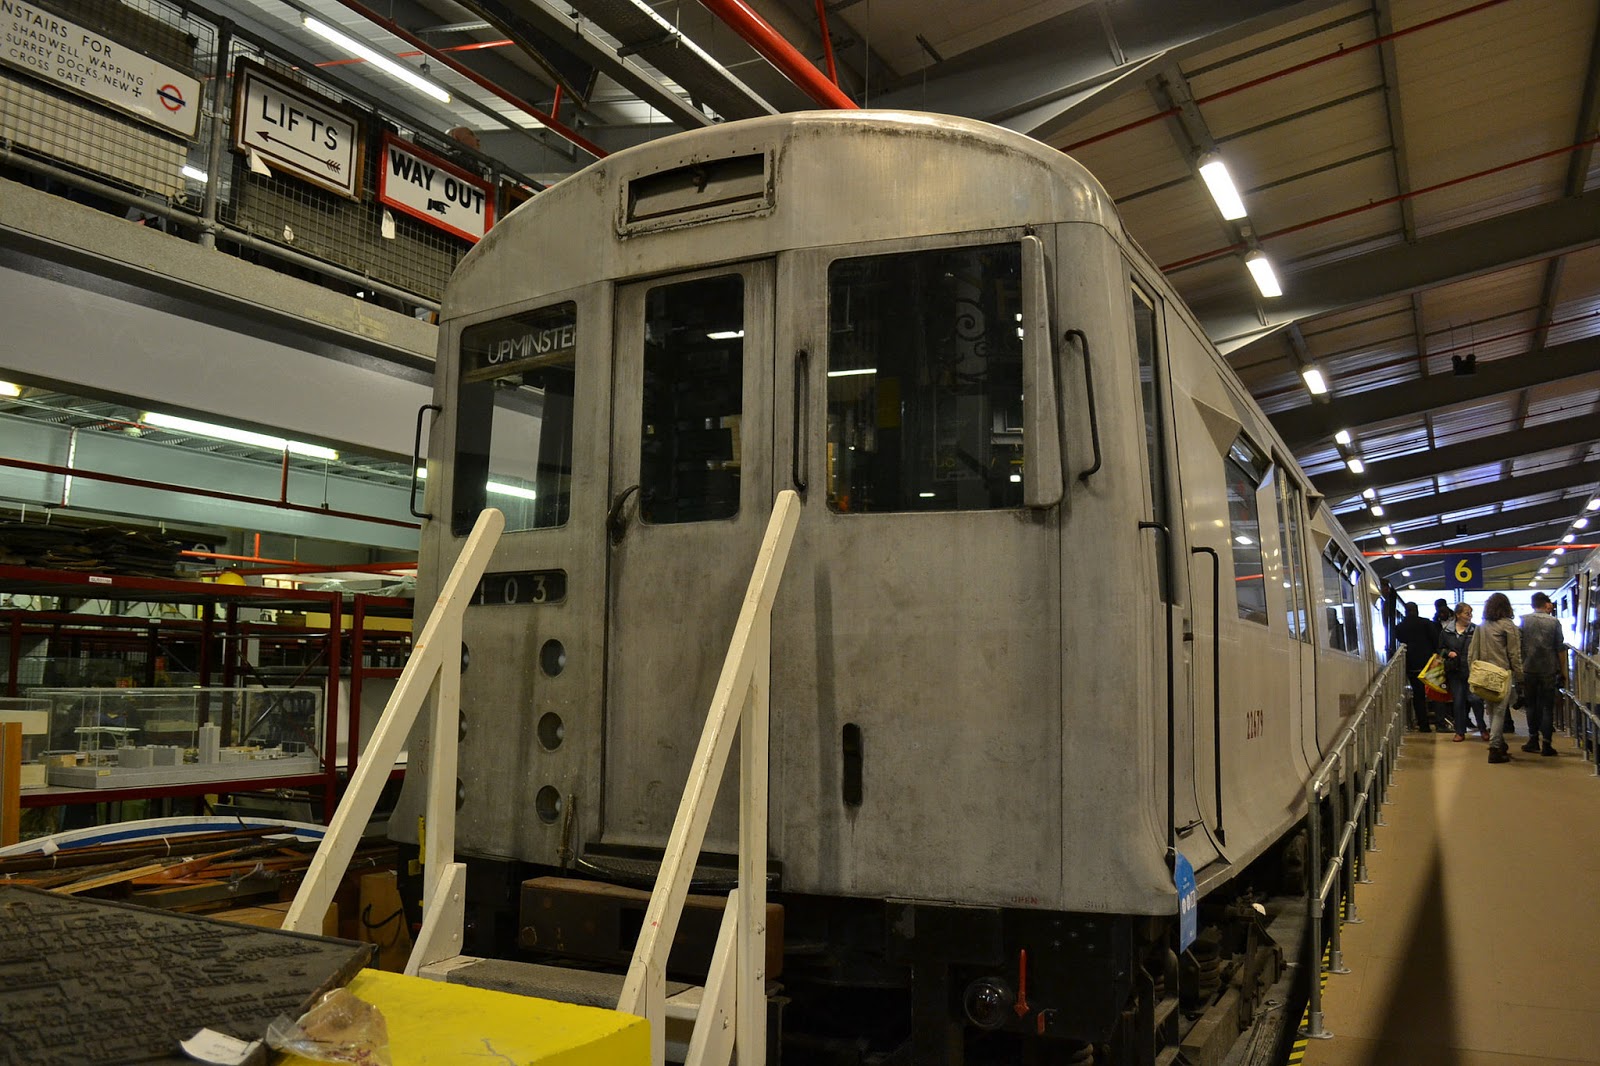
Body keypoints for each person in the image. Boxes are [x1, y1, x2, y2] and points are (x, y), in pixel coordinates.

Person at [1469, 592, 1523, 763]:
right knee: (1500, 711)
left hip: (1484, 673)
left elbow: (1472, 653)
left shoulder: (1481, 626)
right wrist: (1520, 674)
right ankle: (1494, 748)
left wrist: (1473, 672)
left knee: (1491, 710)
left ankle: (1499, 743)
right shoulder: (1508, 626)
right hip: (1502, 673)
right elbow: (1514, 654)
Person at [1518, 591, 1566, 756]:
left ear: (1533, 605)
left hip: (1528, 669)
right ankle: (1547, 744)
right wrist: (1563, 671)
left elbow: (1518, 646)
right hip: (1548, 670)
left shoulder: (1524, 621)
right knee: (1547, 707)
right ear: (1545, 604)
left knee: (1531, 706)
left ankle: (1533, 740)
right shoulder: (1554, 622)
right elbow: (1560, 648)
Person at [1438, 602, 1486, 741]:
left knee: (1476, 700)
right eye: (1466, 613)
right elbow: (1440, 649)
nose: (1470, 616)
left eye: (1470, 613)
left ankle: (1482, 727)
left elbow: (1482, 649)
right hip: (1454, 671)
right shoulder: (1446, 632)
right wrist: (1448, 653)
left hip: (1473, 670)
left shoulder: (1476, 631)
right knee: (1458, 701)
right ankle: (1460, 731)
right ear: (1458, 615)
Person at [1394, 601, 1442, 732]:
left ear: (1405, 612)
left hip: (1411, 665)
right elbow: (1436, 641)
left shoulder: (1399, 627)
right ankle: (1440, 723)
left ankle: (1423, 725)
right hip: (1429, 664)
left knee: (1418, 695)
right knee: (1435, 693)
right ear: (1417, 610)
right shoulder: (1426, 623)